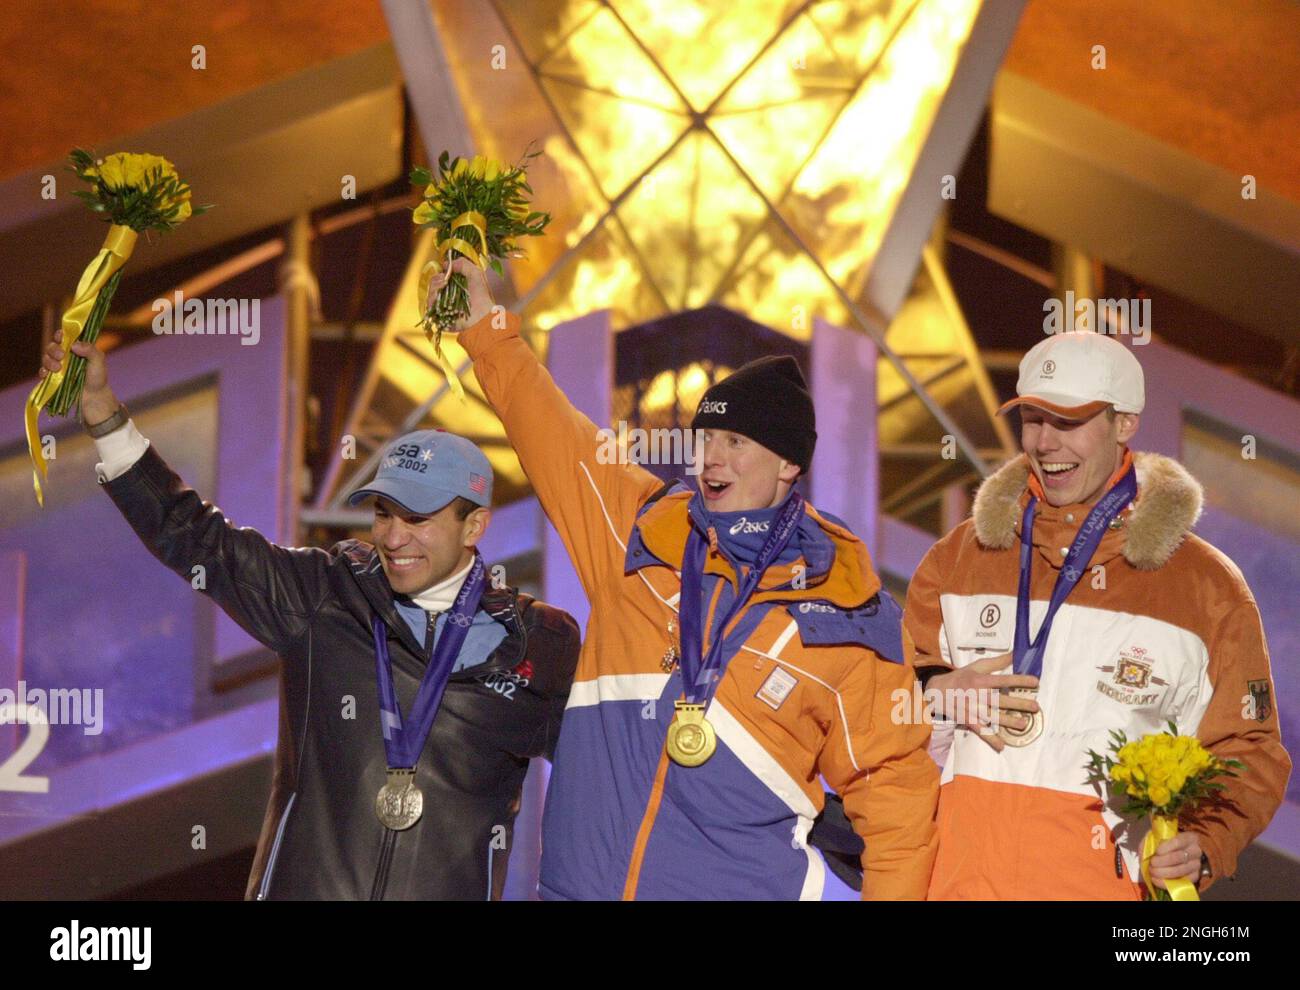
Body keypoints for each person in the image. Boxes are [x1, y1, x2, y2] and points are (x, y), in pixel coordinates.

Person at [426, 258, 938, 900]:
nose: (710, 459)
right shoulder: (639, 529)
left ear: (788, 464)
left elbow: (896, 801)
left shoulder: (846, 608)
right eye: (706, 437)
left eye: (735, 442)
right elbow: (553, 432)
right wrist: (484, 327)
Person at [39, 327, 580, 900]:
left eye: (417, 518)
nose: (394, 537)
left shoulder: (537, 643)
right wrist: (101, 412)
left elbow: (612, 776)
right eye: (382, 512)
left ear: (473, 526)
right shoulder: (324, 593)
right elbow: (195, 537)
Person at [906, 330, 1291, 899]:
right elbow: (878, 712)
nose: (1045, 442)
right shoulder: (958, 559)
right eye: (1034, 419)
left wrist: (1205, 842)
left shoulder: (1206, 587)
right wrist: (932, 693)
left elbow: (1249, 751)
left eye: (1069, 423)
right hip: (957, 888)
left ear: (1125, 423)